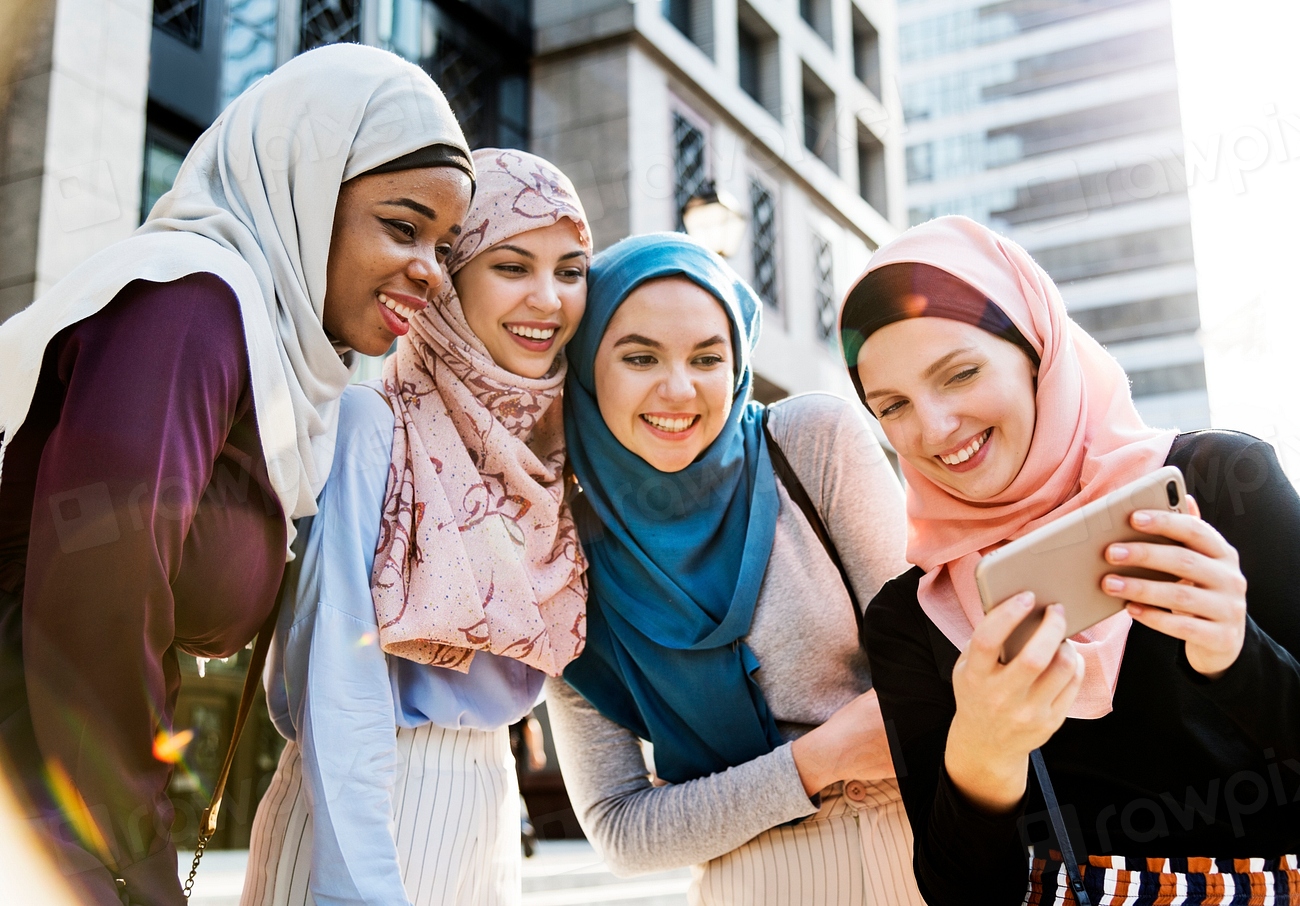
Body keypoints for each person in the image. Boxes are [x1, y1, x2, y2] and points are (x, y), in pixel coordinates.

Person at [0, 44, 475, 906]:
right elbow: (97, 598)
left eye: (444, 247)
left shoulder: (277, 367)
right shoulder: (188, 305)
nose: (430, 272)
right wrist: (135, 857)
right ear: (302, 191)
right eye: (402, 227)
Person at [846, 215, 1300, 905]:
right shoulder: (910, 617)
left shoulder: (1220, 483)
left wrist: (1237, 658)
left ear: (1037, 353)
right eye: (894, 405)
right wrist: (984, 754)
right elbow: (962, 895)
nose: (934, 429)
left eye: (960, 373)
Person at [240, 149, 591, 906]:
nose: (548, 299)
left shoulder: (554, 452)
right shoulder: (374, 421)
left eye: (570, 270)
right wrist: (358, 889)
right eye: (511, 266)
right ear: (450, 281)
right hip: (365, 811)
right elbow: (339, 675)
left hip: (491, 808)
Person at [545, 232, 927, 905]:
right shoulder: (560, 562)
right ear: (585, 367)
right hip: (749, 887)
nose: (679, 389)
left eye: (707, 357)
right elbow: (619, 829)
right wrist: (819, 760)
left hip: (923, 855)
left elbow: (931, 674)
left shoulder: (812, 444)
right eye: (639, 357)